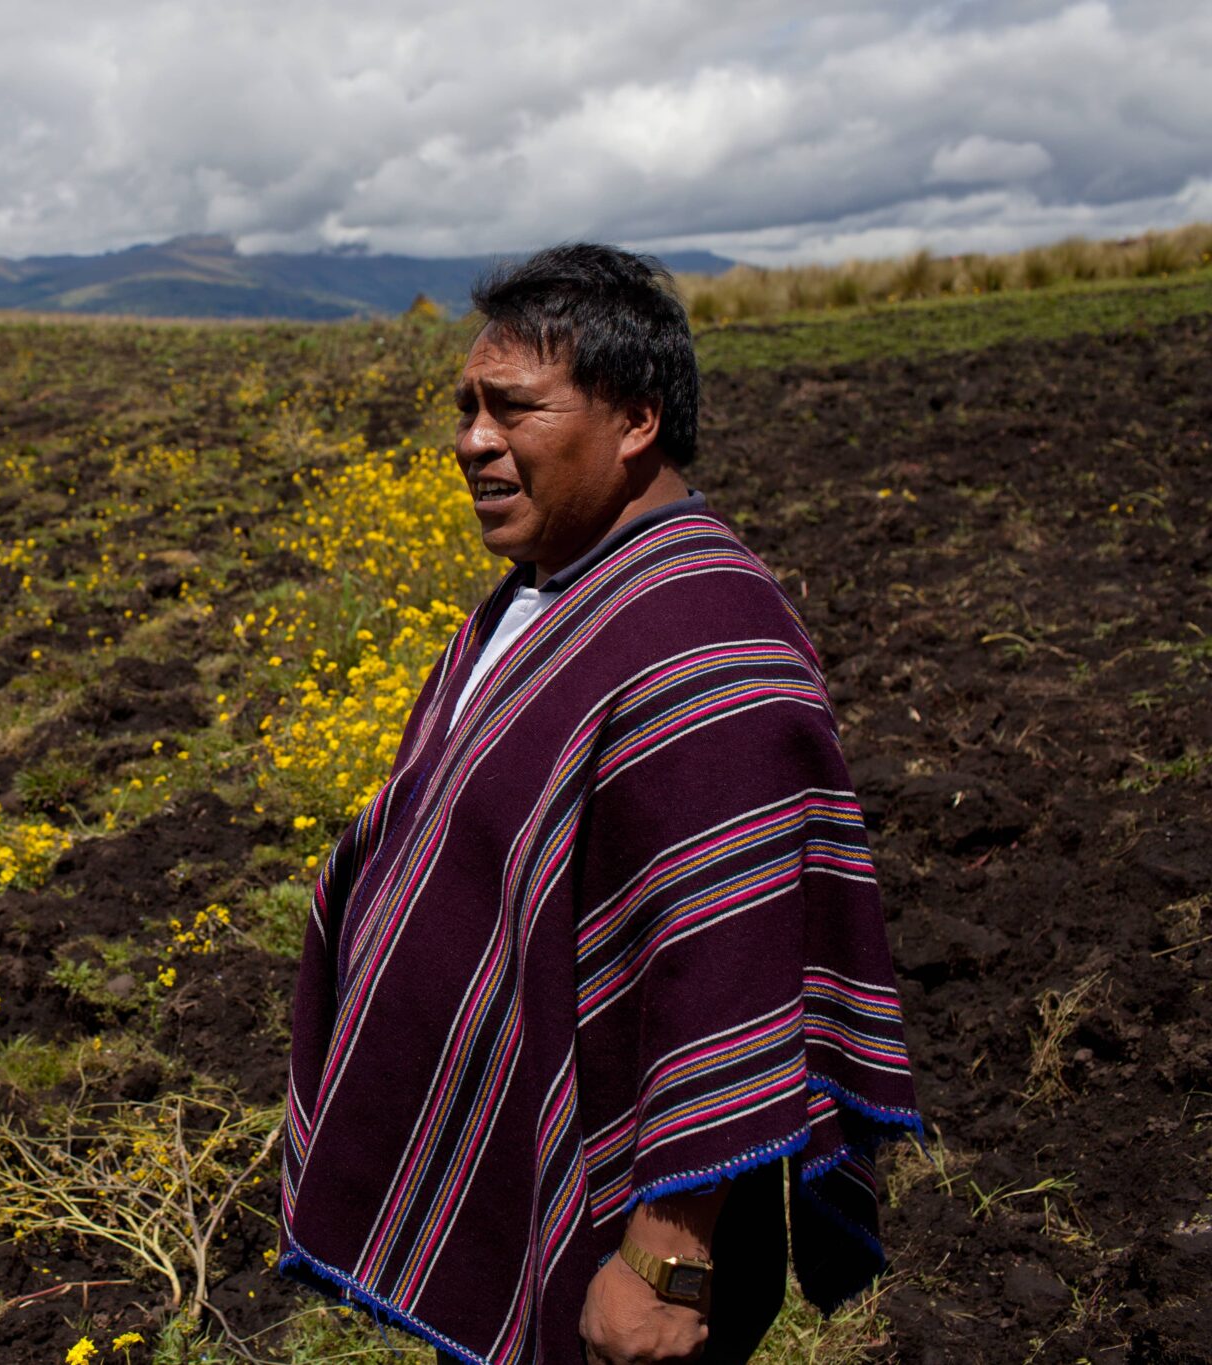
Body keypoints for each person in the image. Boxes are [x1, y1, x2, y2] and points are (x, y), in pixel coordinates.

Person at [275, 244, 921, 1365]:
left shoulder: (706, 639)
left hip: (621, 1224)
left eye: (512, 409)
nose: (472, 440)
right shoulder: (544, 594)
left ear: (633, 421)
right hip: (533, 1167)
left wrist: (662, 1265)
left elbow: (725, 969)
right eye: (466, 408)